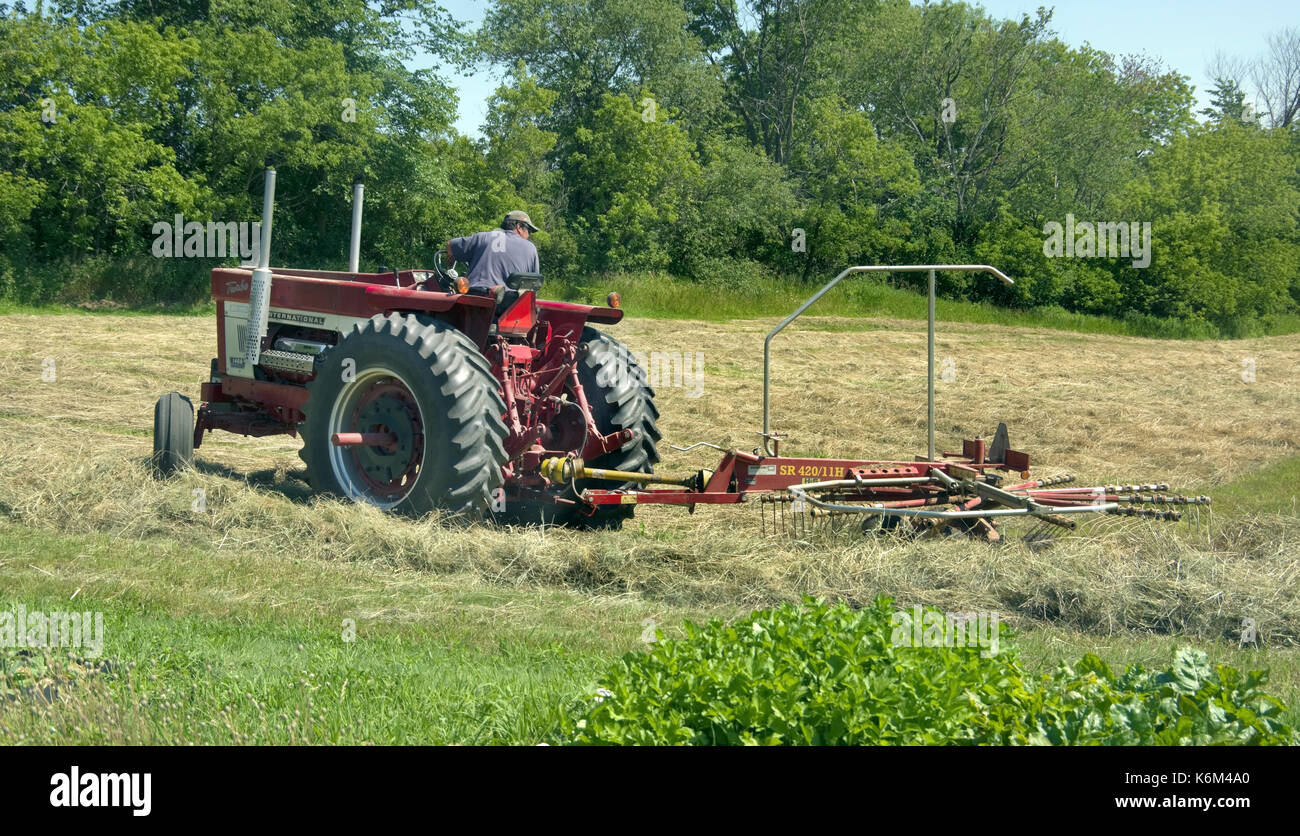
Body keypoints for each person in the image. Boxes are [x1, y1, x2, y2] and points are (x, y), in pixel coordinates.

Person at [445, 211, 541, 290]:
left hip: (475, 299)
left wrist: (451, 259)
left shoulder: (482, 237)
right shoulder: (531, 248)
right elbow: (534, 284)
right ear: (519, 227)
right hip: (510, 305)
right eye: (529, 231)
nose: (529, 235)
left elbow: (450, 245)